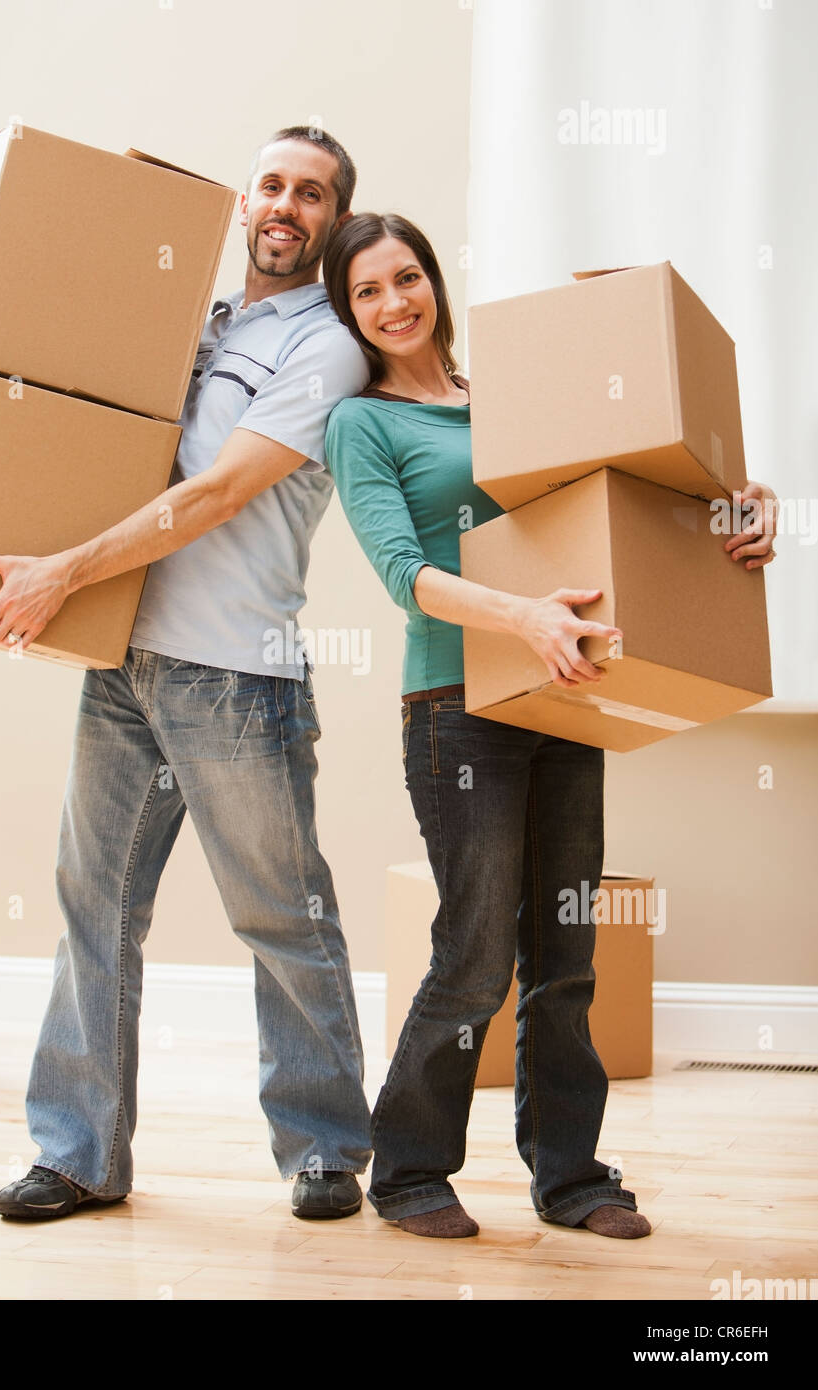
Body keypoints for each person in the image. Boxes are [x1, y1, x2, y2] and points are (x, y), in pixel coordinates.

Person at [0, 128, 375, 1222]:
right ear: (241, 205)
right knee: (94, 904)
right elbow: (85, 455)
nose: (284, 204)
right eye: (269, 183)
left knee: (278, 910)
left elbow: (214, 495)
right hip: (123, 661)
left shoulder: (329, 348)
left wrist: (57, 575)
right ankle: (78, 1153)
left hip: (235, 678)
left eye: (309, 193)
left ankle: (322, 1146)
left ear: (330, 220)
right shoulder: (193, 327)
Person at [322, 212, 778, 1239]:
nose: (394, 303)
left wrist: (741, 504)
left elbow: (629, 488)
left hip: (562, 688)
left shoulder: (517, 399)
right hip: (457, 705)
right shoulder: (361, 424)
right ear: (347, 313)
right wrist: (521, 616)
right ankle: (406, 1170)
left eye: (406, 278)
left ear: (432, 281)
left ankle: (568, 1175)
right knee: (476, 951)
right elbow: (407, 576)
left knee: (565, 947)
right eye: (366, 293)